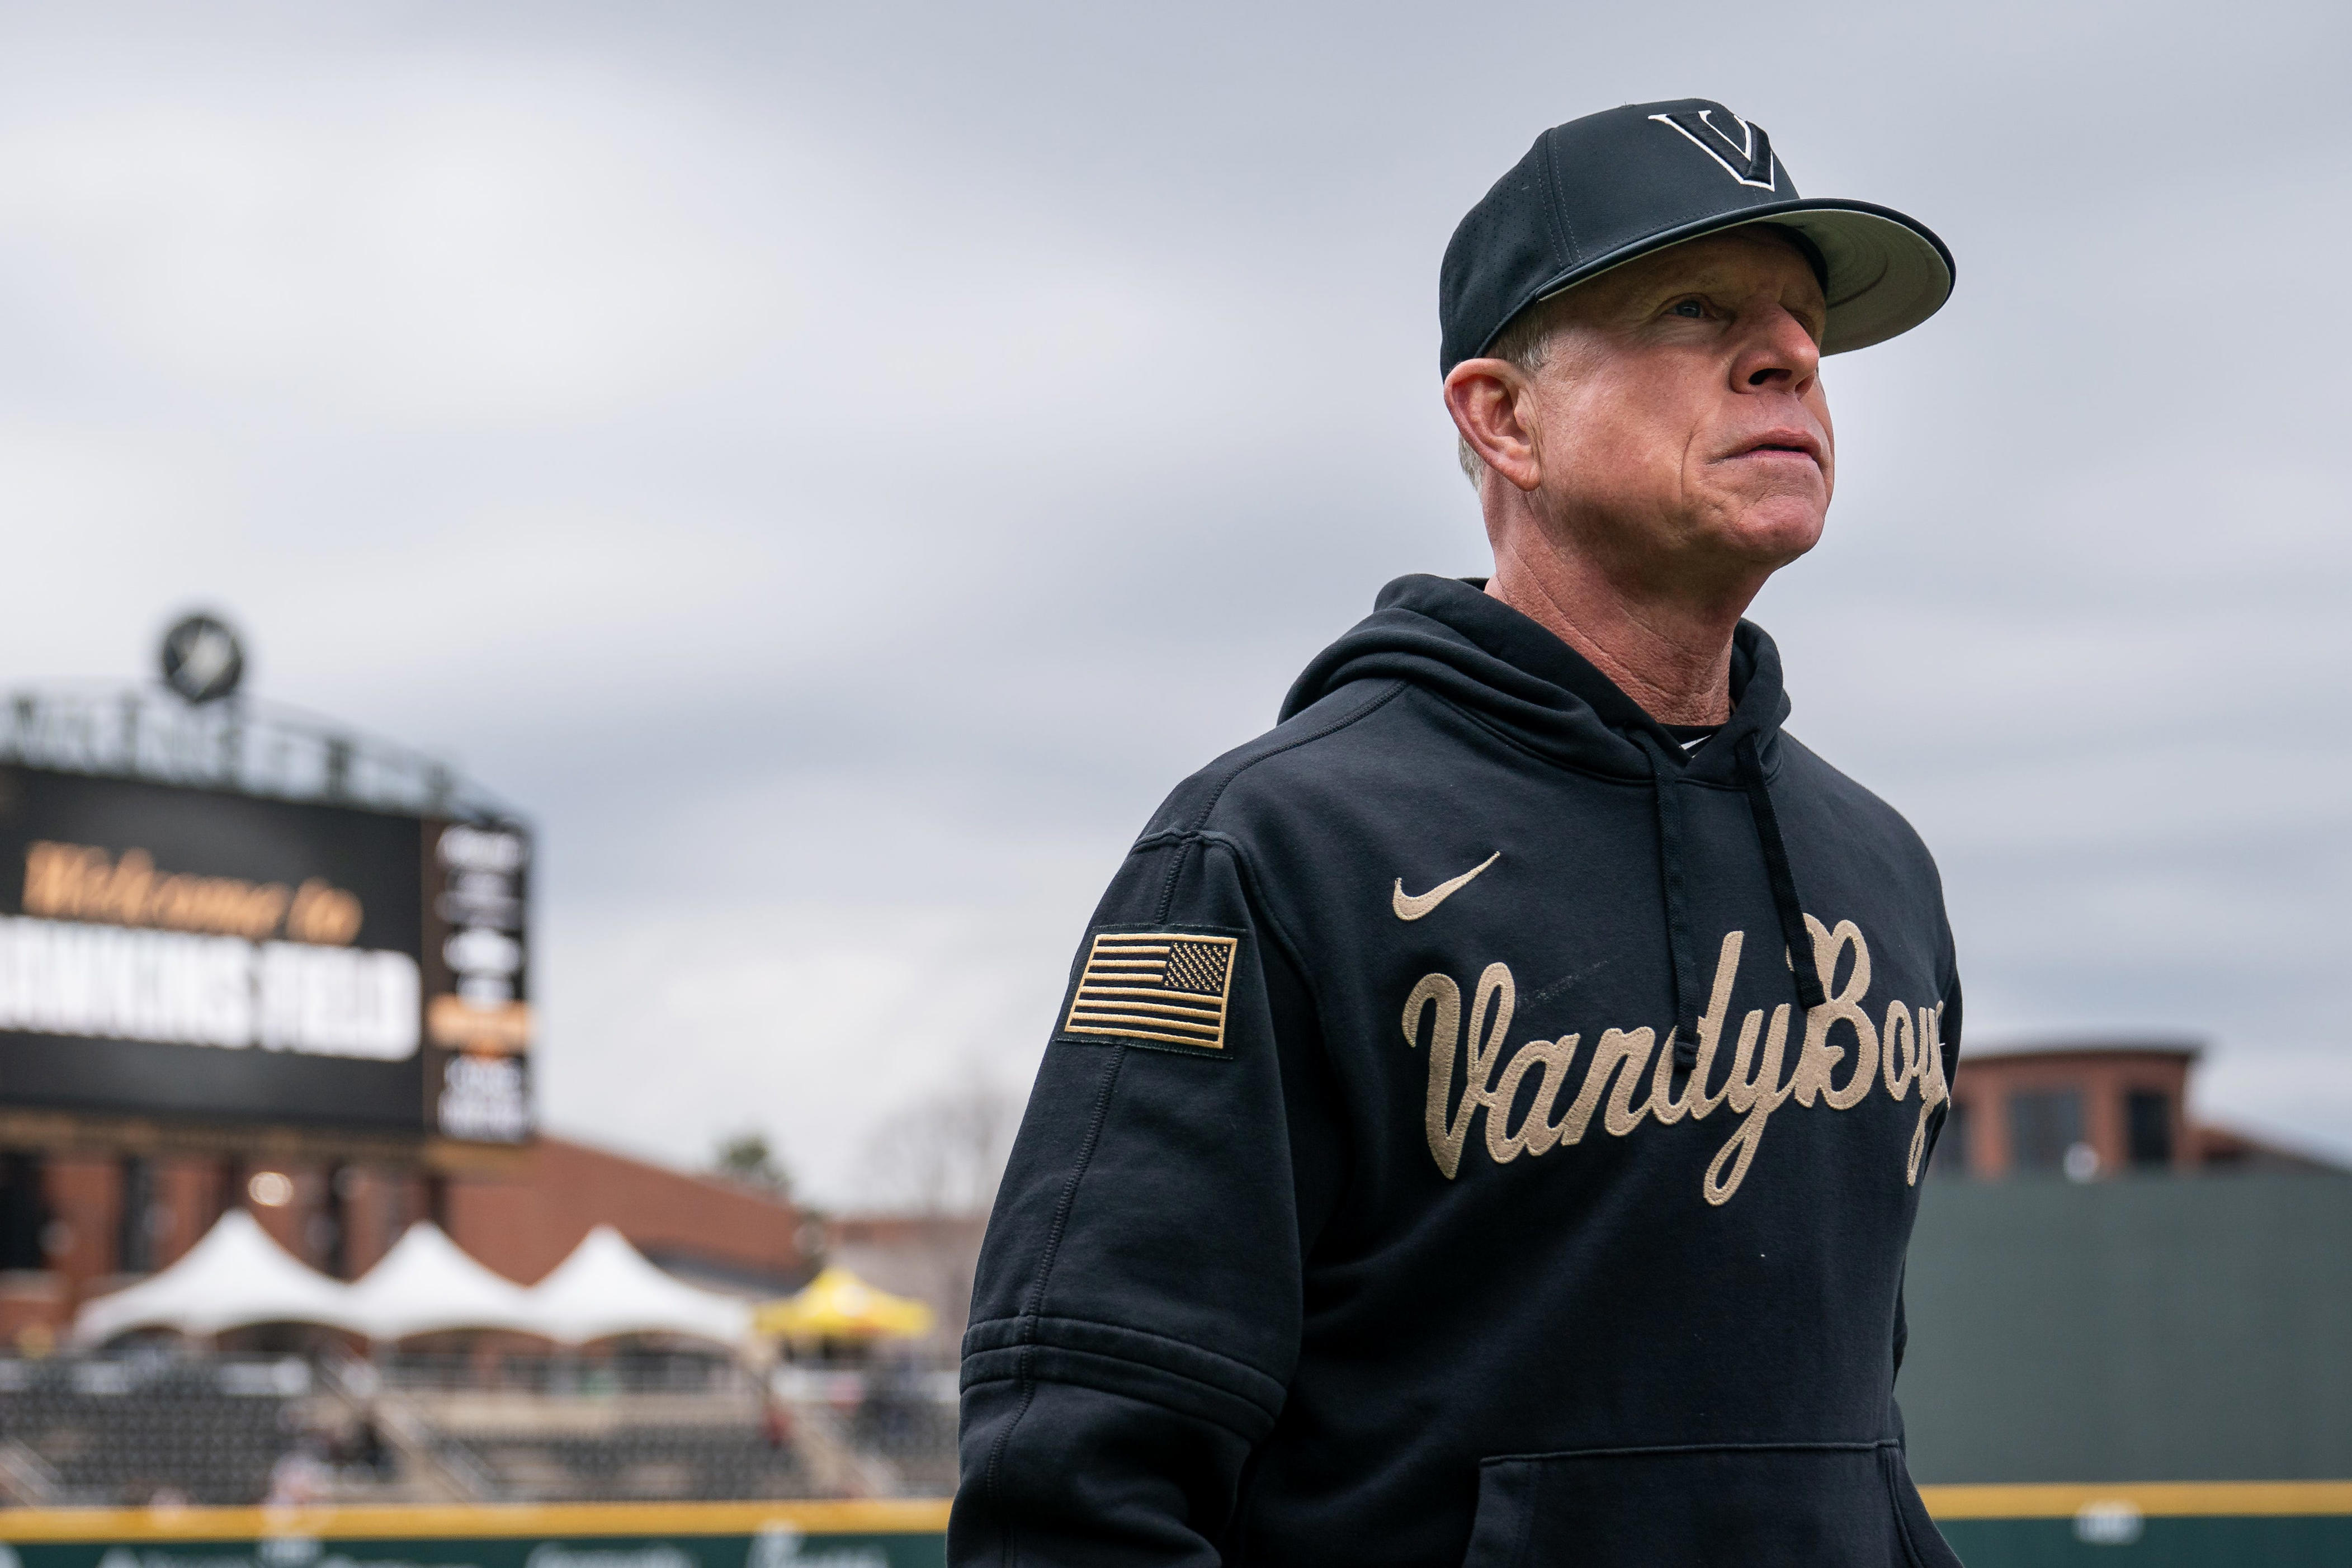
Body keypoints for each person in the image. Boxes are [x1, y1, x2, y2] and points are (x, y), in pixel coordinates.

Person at [952, 98, 1965, 1567]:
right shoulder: (1265, 853)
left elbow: (1839, 1434)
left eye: (1805, 325)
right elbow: (1075, 1502)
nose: (1790, 357)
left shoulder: (1880, 872)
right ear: (1503, 416)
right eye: (1695, 307)